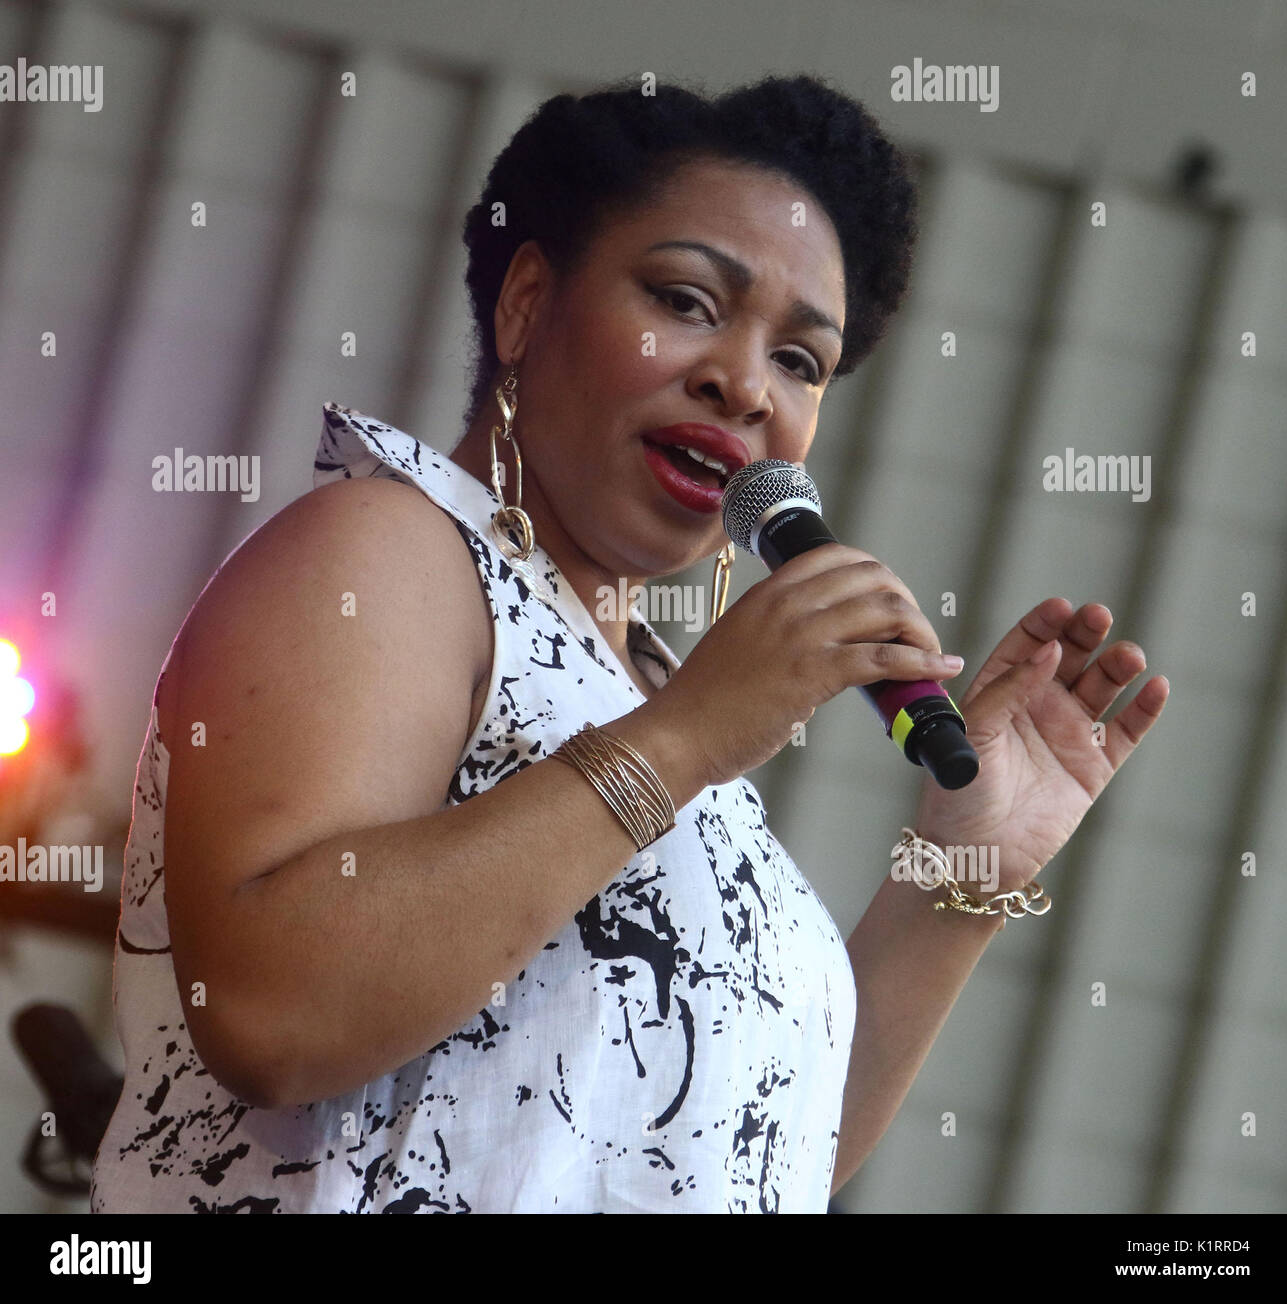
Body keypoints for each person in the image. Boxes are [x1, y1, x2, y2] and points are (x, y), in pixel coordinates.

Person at [90, 73, 1168, 1214]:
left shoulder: (645, 686)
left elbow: (744, 1145)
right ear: (526, 305)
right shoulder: (391, 551)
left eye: (800, 361)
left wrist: (962, 873)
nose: (744, 382)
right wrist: (685, 738)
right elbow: (275, 1013)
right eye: (688, 299)